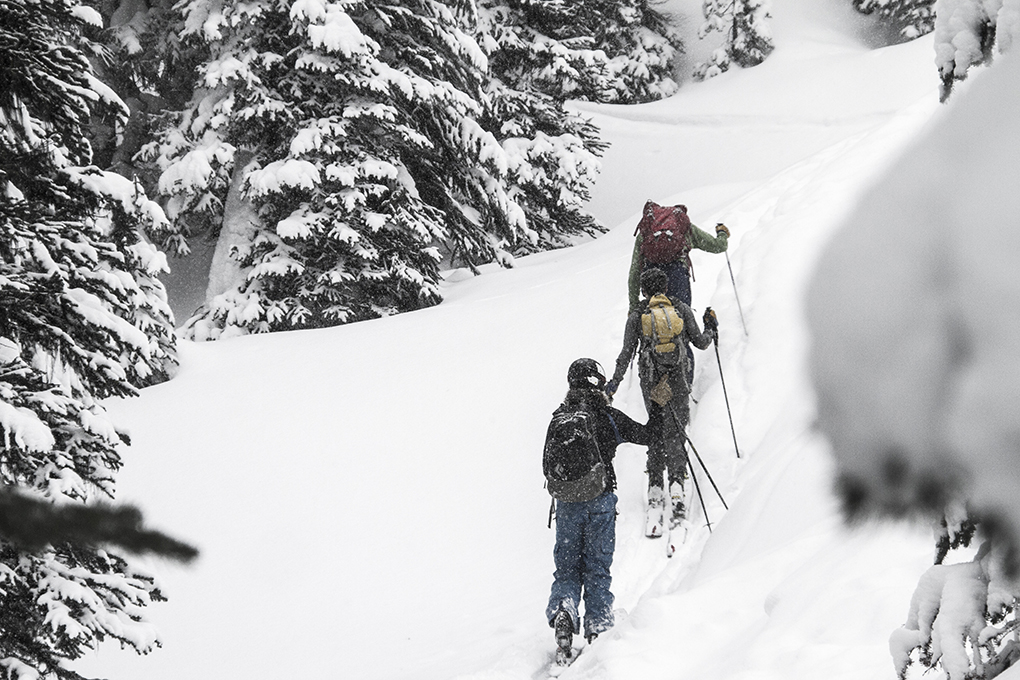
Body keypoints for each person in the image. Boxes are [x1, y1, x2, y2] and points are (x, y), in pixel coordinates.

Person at [544, 358, 659, 662]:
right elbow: (649, 436)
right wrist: (659, 405)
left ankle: (564, 609)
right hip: (601, 502)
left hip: (567, 505)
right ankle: (598, 626)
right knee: (597, 568)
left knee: (567, 569)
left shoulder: (560, 417)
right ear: (598, 383)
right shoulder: (607, 416)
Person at [606, 268, 717, 534]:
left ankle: (655, 484)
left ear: (644, 290)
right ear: (666, 287)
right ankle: (677, 483)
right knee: (676, 432)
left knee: (656, 429)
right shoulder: (679, 309)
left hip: (652, 382)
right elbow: (701, 343)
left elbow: (625, 356)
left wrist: (611, 387)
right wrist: (711, 327)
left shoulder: (638, 316)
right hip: (677, 379)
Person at [627, 201, 729, 382]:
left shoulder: (645, 232)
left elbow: (635, 271)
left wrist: (633, 306)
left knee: (651, 333)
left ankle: (655, 383)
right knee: (680, 331)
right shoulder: (684, 229)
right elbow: (718, 247)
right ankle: (684, 384)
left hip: (651, 283)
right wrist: (722, 234)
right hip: (677, 279)